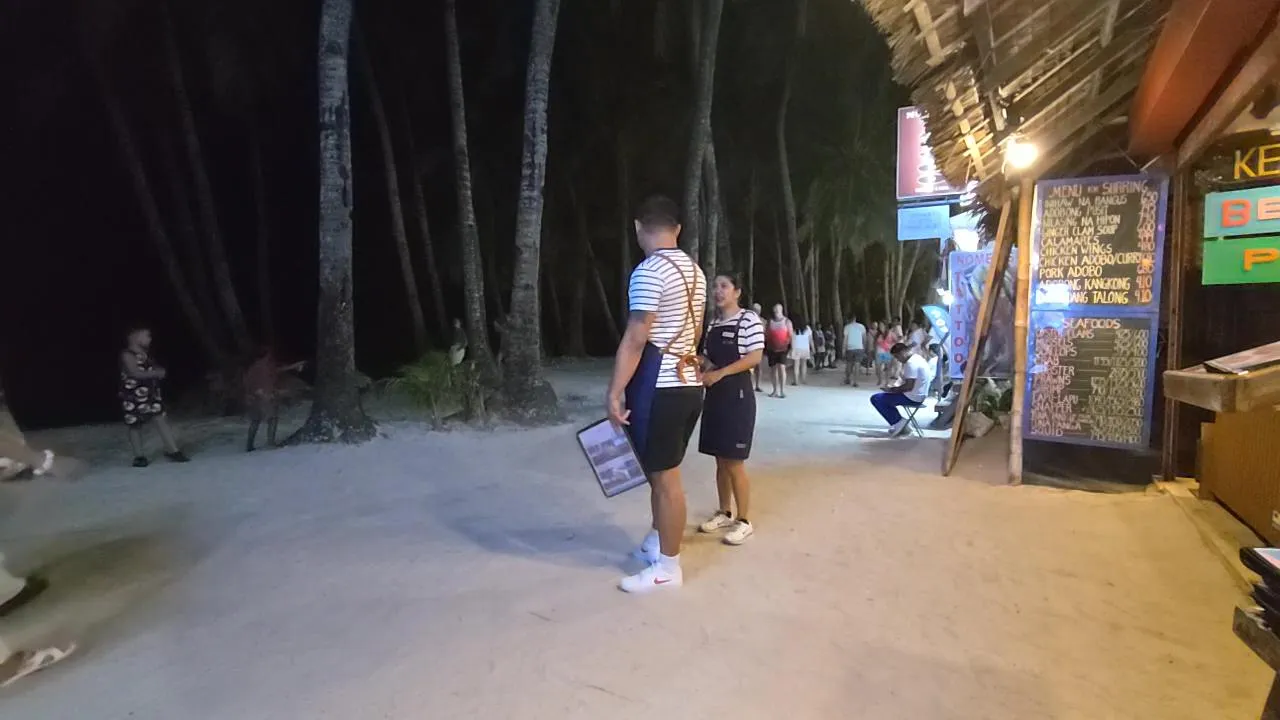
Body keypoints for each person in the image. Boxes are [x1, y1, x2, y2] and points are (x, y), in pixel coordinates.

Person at [607, 195, 706, 594]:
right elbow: (695, 331)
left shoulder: (649, 271)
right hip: (689, 382)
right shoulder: (695, 272)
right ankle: (656, 539)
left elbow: (636, 337)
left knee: (665, 479)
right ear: (677, 229)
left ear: (638, 228)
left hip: (661, 387)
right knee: (659, 470)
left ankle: (668, 567)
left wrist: (615, 391)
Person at [697, 274, 764, 546]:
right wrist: (699, 362)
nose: (718, 291)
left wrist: (720, 373)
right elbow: (709, 358)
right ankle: (724, 512)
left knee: (734, 462)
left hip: (738, 395)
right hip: (715, 395)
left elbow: (754, 357)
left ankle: (744, 521)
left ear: (737, 292)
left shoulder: (749, 320)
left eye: (724, 286)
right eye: (715, 286)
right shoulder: (713, 323)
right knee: (720, 460)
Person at [119, 327, 189, 468]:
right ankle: (139, 456)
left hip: (151, 393)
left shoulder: (145, 354)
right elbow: (134, 373)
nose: (149, 339)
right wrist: (156, 373)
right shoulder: (127, 354)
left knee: (160, 418)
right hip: (133, 394)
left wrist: (157, 372)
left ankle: (173, 450)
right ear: (134, 336)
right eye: (146, 336)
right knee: (135, 424)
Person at [244, 348, 308, 452]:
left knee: (256, 421)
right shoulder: (263, 367)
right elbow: (265, 380)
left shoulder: (256, 367)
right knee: (272, 418)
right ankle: (270, 442)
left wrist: (293, 366)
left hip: (256, 397)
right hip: (263, 397)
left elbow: (276, 371)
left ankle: (250, 445)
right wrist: (268, 393)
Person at [870, 342, 934, 437]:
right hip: (920, 395)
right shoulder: (917, 358)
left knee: (876, 398)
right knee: (885, 398)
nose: (898, 360)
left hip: (912, 397)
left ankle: (898, 421)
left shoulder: (911, 363)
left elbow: (908, 386)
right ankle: (899, 422)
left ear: (903, 353)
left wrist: (892, 390)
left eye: (897, 357)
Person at [764, 304, 793, 398]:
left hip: (783, 348)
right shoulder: (770, 322)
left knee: (781, 368)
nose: (776, 312)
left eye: (777, 310)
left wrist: (792, 348)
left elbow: (791, 335)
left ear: (781, 310)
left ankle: (782, 390)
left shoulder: (787, 321)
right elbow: (766, 335)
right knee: (773, 369)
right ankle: (775, 390)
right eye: (774, 310)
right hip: (771, 349)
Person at [843, 315, 868, 386]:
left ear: (848, 319)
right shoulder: (861, 326)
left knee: (849, 364)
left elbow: (845, 339)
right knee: (857, 364)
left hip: (850, 348)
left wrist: (843, 349)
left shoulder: (847, 327)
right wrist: (864, 347)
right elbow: (864, 338)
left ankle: (848, 379)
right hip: (859, 347)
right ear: (855, 318)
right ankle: (855, 381)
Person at [789, 316, 813, 386]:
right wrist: (813, 348)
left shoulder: (794, 329)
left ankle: (796, 381)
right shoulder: (807, 328)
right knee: (804, 364)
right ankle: (804, 380)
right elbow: (810, 339)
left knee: (796, 365)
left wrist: (791, 348)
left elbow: (792, 339)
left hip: (796, 347)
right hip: (805, 348)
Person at [873, 321, 894, 387]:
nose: (880, 326)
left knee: (887, 368)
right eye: (879, 325)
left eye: (882, 325)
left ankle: (887, 382)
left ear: (885, 326)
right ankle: (880, 380)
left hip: (887, 352)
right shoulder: (877, 334)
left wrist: (891, 347)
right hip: (879, 352)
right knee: (878, 368)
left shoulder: (890, 333)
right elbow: (875, 343)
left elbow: (895, 340)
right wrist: (875, 351)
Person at [750, 303, 764, 393]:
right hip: (749, 346)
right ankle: (750, 384)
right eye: (755, 309)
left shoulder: (763, 321)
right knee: (749, 367)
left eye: (758, 310)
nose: (757, 311)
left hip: (759, 346)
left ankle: (758, 385)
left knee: (759, 367)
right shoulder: (748, 320)